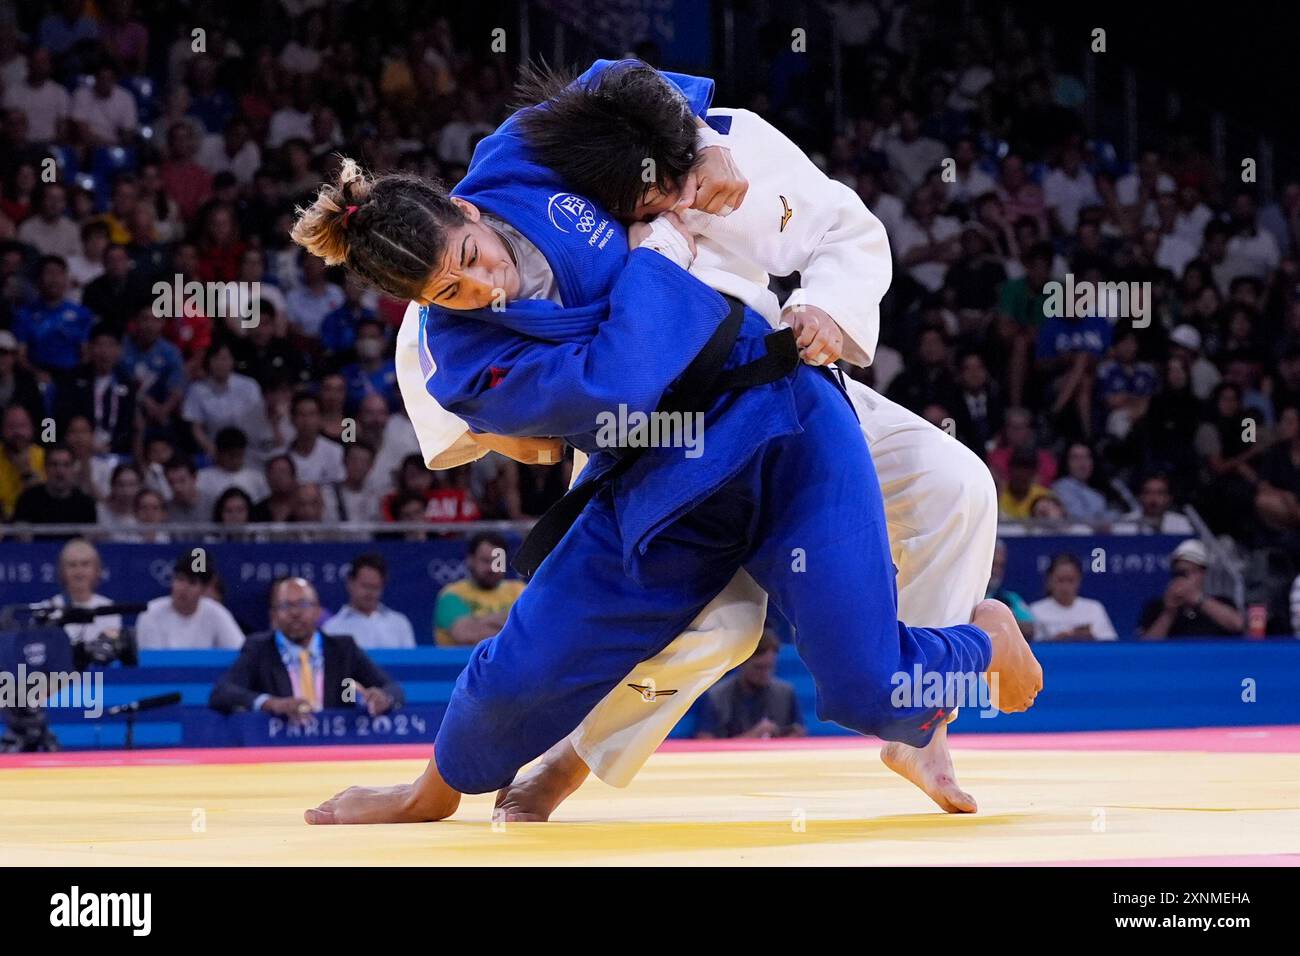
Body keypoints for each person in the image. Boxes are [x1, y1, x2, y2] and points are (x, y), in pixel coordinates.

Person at [293, 61, 1039, 825]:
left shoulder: (585, 151)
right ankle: (462, 781)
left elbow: (621, 82)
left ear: (466, 210)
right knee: (562, 655)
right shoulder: (452, 348)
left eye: (470, 263)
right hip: (652, 471)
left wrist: (710, 163)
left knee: (939, 524)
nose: (486, 291)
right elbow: (613, 383)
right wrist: (657, 257)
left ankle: (948, 682)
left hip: (780, 402)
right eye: (449, 293)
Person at [209, 577, 403, 717]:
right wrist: (271, 703)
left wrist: (382, 698)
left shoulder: (343, 649)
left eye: (303, 604)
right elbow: (222, 693)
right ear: (274, 614)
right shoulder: (259, 649)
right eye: (285, 606)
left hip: (336, 750)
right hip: (279, 753)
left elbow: (393, 688)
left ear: (318, 610)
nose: (295, 613)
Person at [695, 632, 805, 739]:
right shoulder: (717, 697)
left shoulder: (785, 693)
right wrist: (753, 735)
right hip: (734, 757)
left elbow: (799, 733)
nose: (765, 674)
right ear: (741, 662)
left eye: (770, 667)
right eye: (759, 667)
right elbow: (704, 743)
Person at [433, 532, 525, 646]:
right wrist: (512, 625)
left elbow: (535, 629)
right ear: (470, 560)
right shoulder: (452, 594)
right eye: (486, 561)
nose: (492, 568)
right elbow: (466, 635)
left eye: (498, 562)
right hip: (462, 663)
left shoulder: (519, 590)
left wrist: (478, 621)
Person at [1139, 539, 1243, 640]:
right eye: (1177, 573)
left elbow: (1238, 625)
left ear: (1203, 574)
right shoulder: (1156, 607)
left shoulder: (1223, 602)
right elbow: (1145, 649)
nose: (1180, 579)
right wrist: (1169, 613)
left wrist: (1198, 599)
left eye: (1186, 573)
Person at [136, 554, 245, 650]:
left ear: (204, 589)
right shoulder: (150, 612)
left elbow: (240, 651)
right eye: (180, 579)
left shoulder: (216, 612)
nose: (183, 588)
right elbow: (150, 661)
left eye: (192, 582)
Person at [36, 538, 121, 646]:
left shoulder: (109, 608)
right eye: (72, 565)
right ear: (62, 571)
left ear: (97, 570)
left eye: (85, 564)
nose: (79, 572)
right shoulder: (48, 609)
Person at [322, 553, 416, 649]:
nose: (370, 593)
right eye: (365, 586)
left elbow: (412, 662)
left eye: (375, 587)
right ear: (350, 583)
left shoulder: (399, 624)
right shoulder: (332, 629)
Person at [1028, 553, 1117, 641]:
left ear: (1079, 580)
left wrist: (1090, 637)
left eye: (1070, 580)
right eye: (1060, 580)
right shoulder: (1035, 610)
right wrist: (1055, 641)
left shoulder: (1094, 608)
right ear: (1050, 580)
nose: (1065, 586)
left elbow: (1110, 642)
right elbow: (1031, 647)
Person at [12, 443, 97, 532]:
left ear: (73, 469)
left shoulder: (86, 504)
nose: (60, 471)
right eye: (54, 464)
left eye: (66, 465)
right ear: (45, 468)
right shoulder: (28, 499)